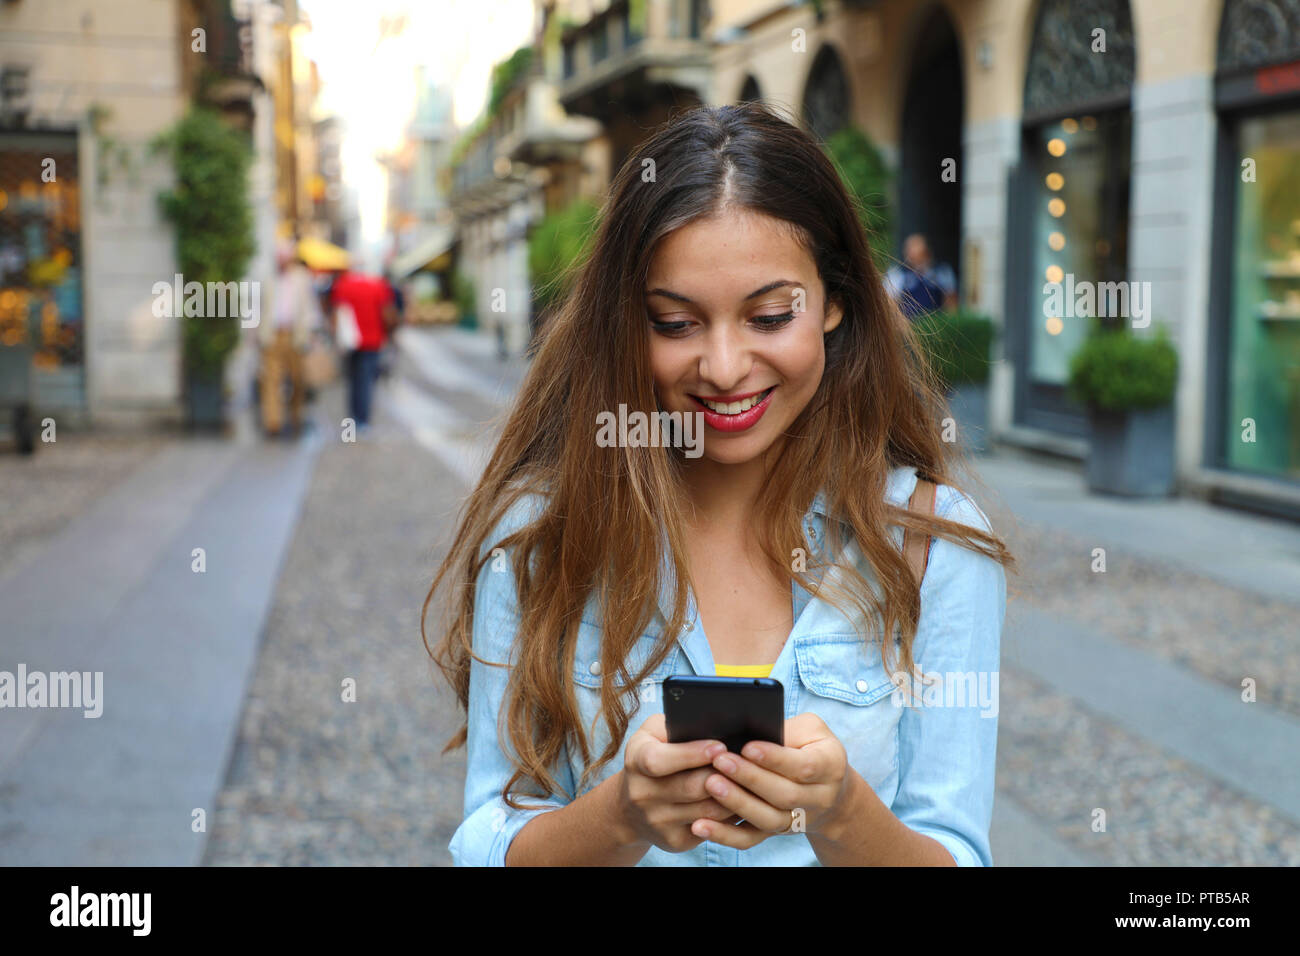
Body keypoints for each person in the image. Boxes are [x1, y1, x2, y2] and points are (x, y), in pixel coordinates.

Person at [426, 102, 1014, 867]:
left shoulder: (932, 545)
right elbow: (489, 841)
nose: (725, 367)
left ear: (836, 302)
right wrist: (622, 815)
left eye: (770, 316)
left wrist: (840, 815)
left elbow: (956, 851)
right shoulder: (542, 533)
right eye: (675, 323)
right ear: (626, 324)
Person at [259, 241, 321, 437]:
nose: (281, 262)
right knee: (271, 380)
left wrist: (311, 334)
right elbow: (260, 308)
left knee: (298, 380)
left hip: (296, 335)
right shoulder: (269, 280)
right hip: (273, 335)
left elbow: (310, 308)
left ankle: (296, 417)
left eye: (284, 258)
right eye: (279, 258)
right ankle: (273, 422)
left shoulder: (302, 279)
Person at [328, 268, 396, 431]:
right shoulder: (378, 286)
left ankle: (353, 416)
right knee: (366, 380)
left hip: (350, 341)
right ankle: (362, 419)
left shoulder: (343, 285)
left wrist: (336, 338)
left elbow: (337, 313)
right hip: (372, 341)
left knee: (352, 379)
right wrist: (389, 334)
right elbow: (387, 313)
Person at [884, 233, 958, 319]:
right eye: (908, 248)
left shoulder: (942, 271)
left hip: (936, 323)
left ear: (927, 251)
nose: (909, 252)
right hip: (909, 324)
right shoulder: (897, 273)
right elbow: (891, 303)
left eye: (914, 247)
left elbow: (951, 303)